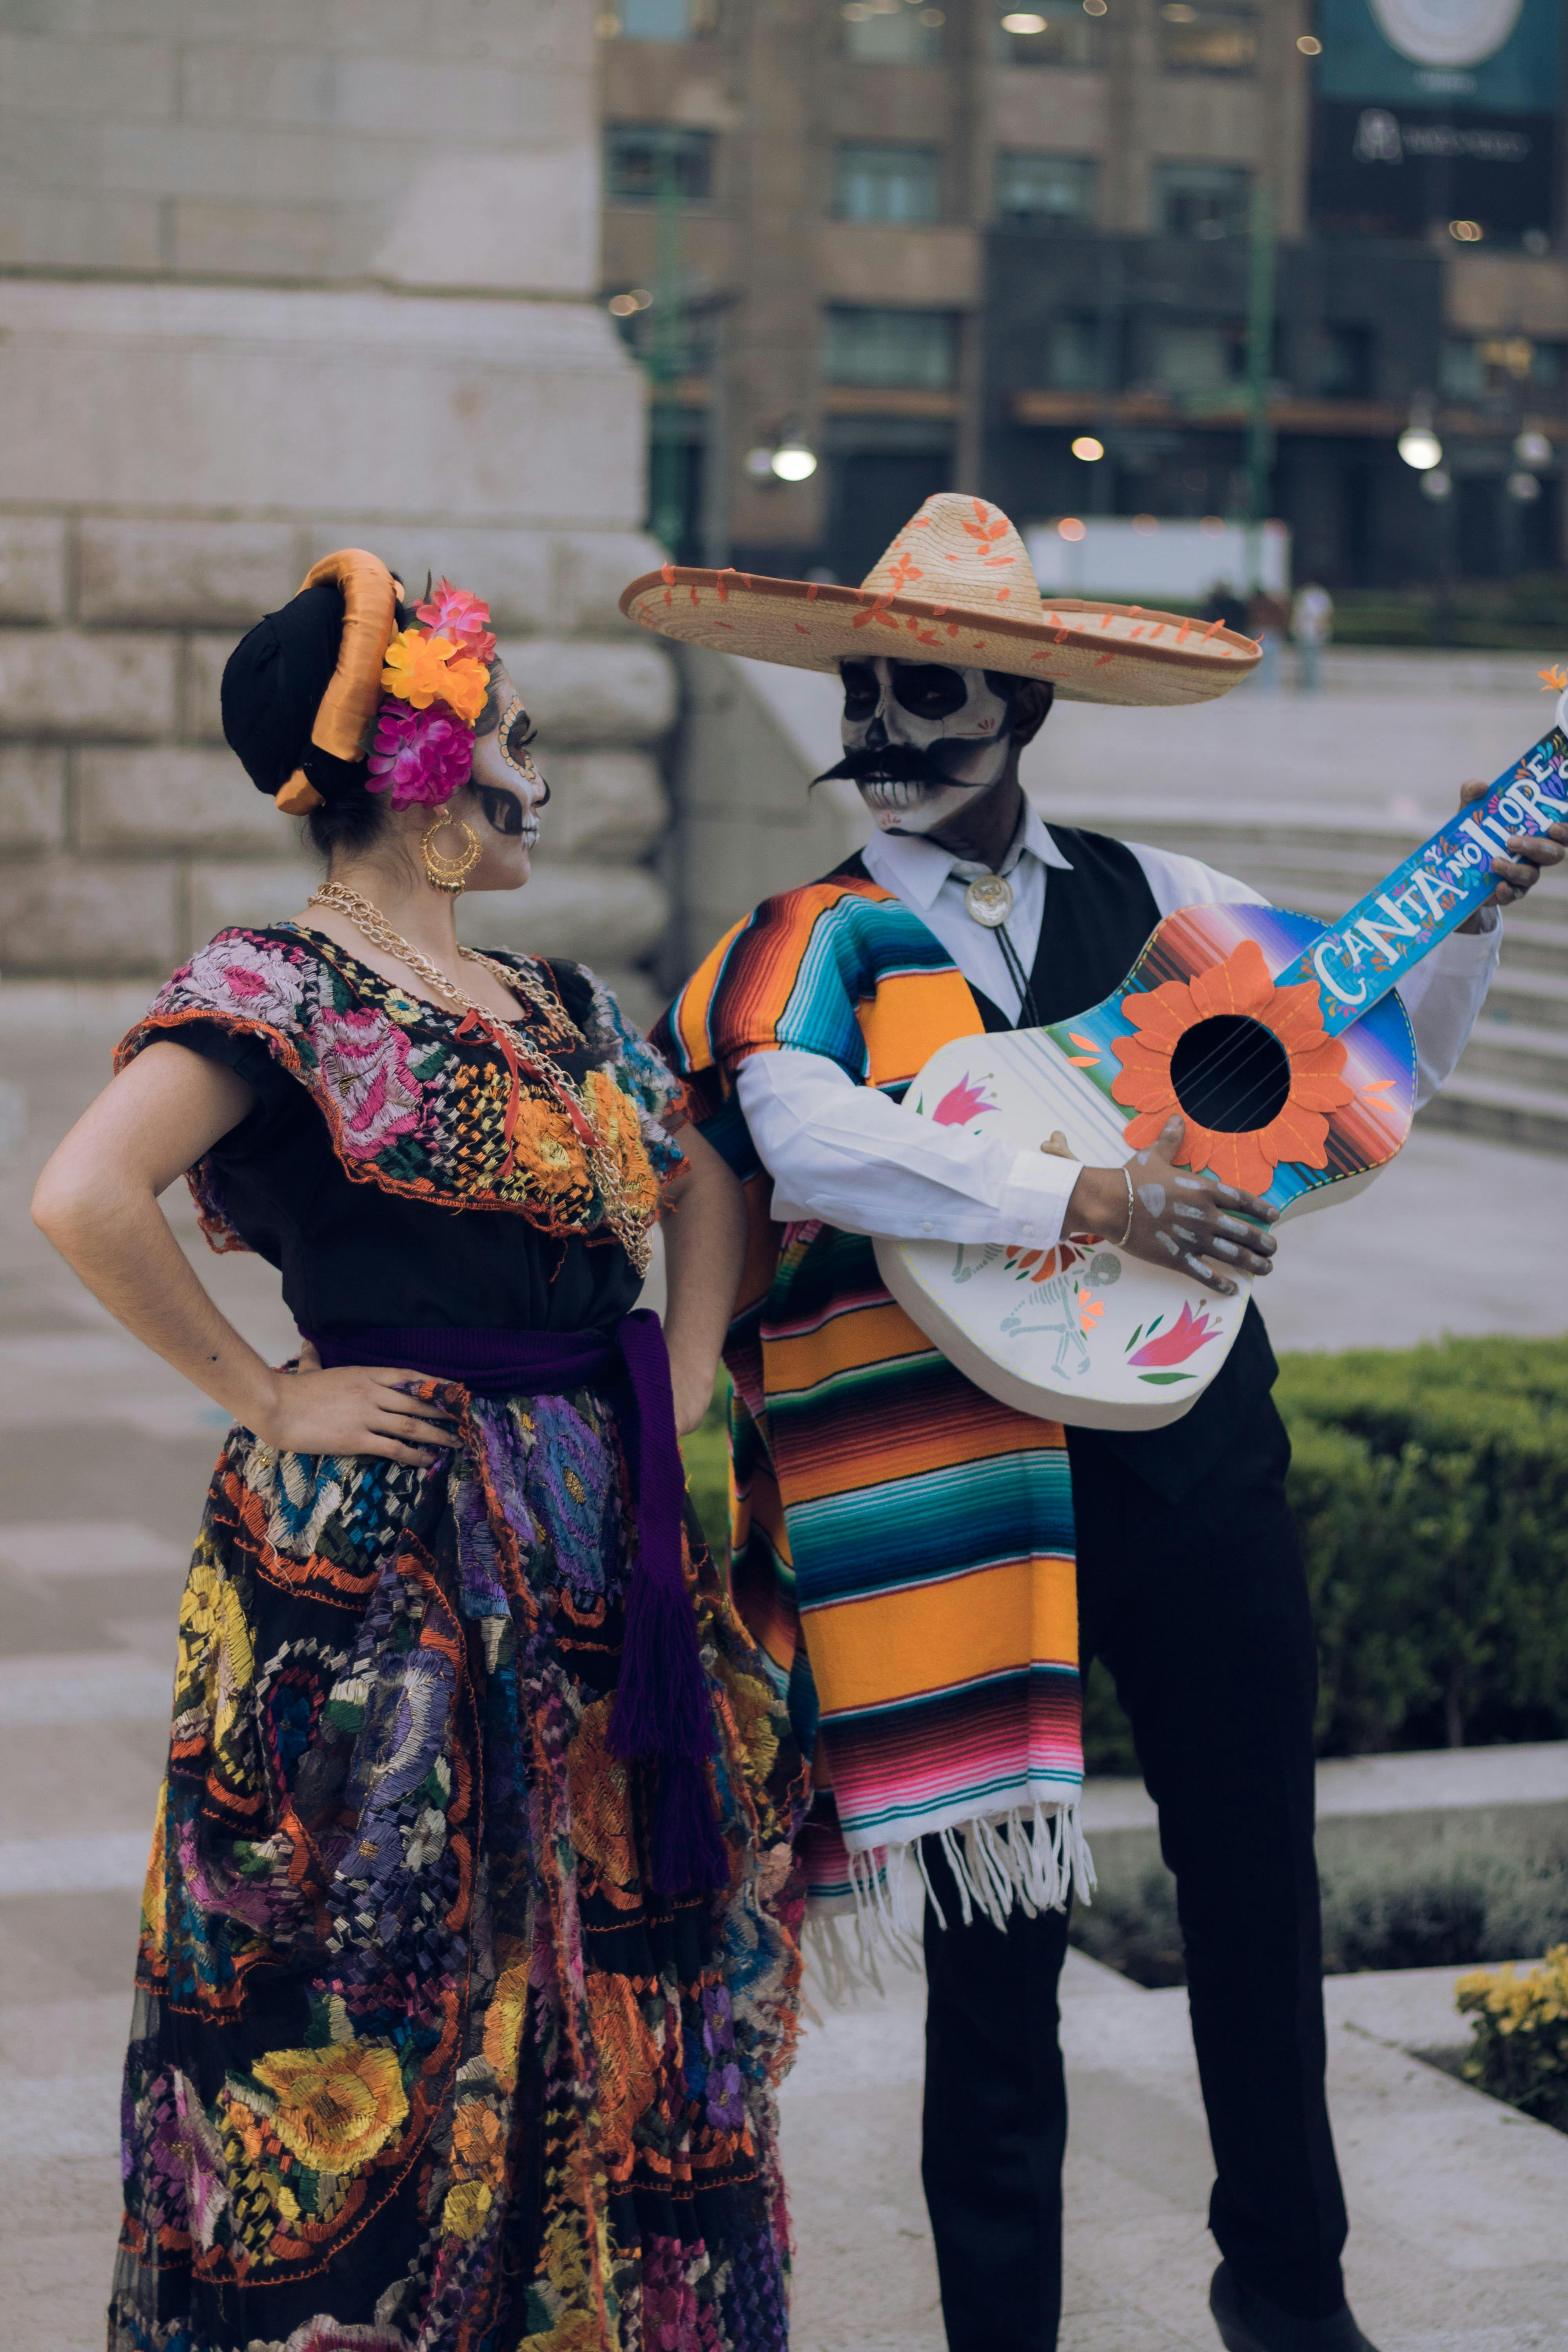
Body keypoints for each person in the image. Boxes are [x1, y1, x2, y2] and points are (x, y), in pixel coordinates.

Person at [618, 495, 1568, 2352]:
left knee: (1256, 1895)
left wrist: (1465, 909)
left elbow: (1369, 1071)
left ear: (1023, 706)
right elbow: (797, 1130)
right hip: (958, 1497)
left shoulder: (1168, 895)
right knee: (993, 1963)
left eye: (927, 689)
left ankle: (1290, 2303)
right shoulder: (802, 936)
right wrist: (1085, 1198)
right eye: (864, 687)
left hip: (1195, 1448)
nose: (880, 725)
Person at [32, 550, 808, 2352]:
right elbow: (84, 1191)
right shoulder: (278, 983)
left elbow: (700, 1180)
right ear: (430, 765)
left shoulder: (549, 1000)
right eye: (519, 735)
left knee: (588, 1940)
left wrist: (680, 1370)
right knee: (367, 1959)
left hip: (586, 1521)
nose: (541, 770)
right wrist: (266, 1388)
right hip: (372, 1553)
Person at [1292, 581, 1334, 694]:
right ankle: (1307, 685)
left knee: (1311, 662)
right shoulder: (1316, 596)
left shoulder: (1312, 596)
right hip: (1307, 634)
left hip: (1314, 633)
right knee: (1307, 662)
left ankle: (1312, 686)